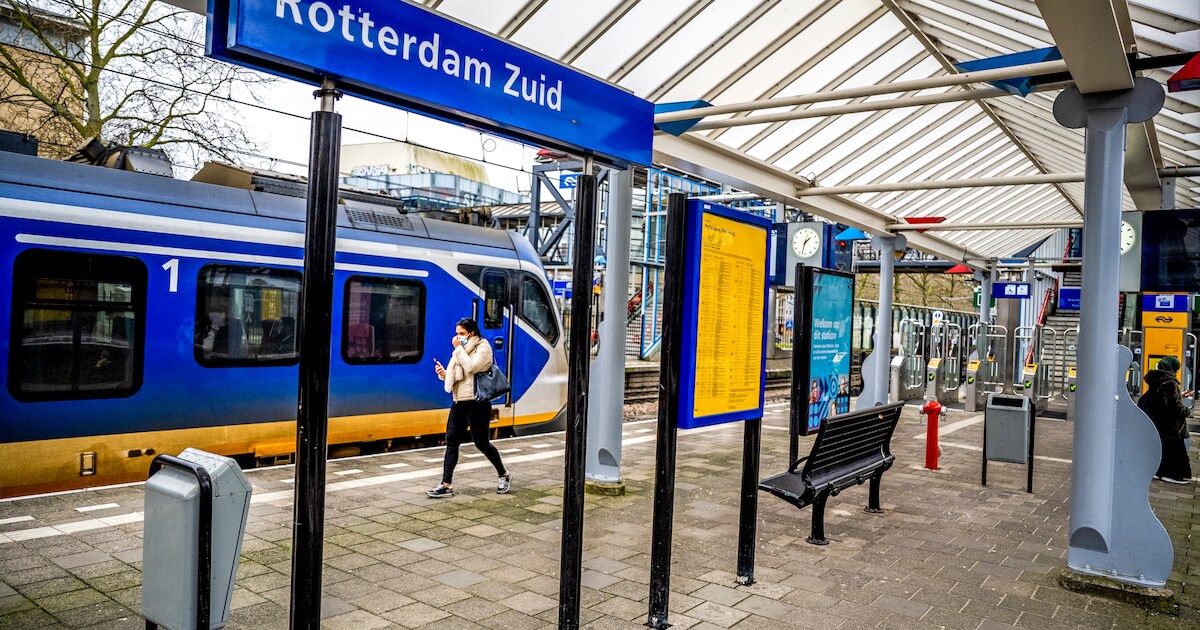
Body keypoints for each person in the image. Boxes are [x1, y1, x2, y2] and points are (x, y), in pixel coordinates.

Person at [427, 317, 512, 498]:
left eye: (461, 334)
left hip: (477, 403)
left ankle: (503, 474)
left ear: (471, 333)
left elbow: (472, 368)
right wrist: (444, 374)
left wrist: (458, 348)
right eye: (457, 333)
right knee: (451, 442)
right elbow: (459, 376)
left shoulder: (483, 347)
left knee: (481, 443)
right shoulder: (462, 350)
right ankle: (446, 484)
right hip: (459, 402)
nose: (458, 337)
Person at [1138, 355, 1193, 485]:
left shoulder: (1156, 380)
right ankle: (1174, 475)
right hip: (1172, 426)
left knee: (1165, 450)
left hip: (1160, 423)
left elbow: (1162, 400)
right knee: (1176, 452)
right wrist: (1188, 411)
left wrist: (1181, 394)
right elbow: (1176, 407)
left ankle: (1160, 472)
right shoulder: (1170, 383)